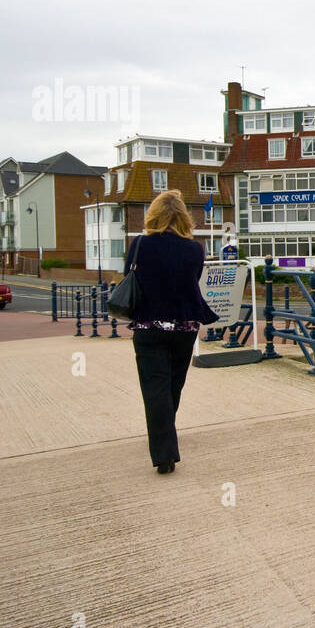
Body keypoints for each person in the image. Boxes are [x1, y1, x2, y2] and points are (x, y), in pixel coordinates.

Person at [125, 189, 219, 474]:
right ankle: (165, 430)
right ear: (183, 217)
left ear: (153, 215)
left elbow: (129, 275)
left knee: (155, 387)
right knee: (173, 385)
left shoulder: (140, 244)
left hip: (149, 325)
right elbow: (192, 280)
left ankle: (164, 451)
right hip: (184, 326)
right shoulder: (194, 249)